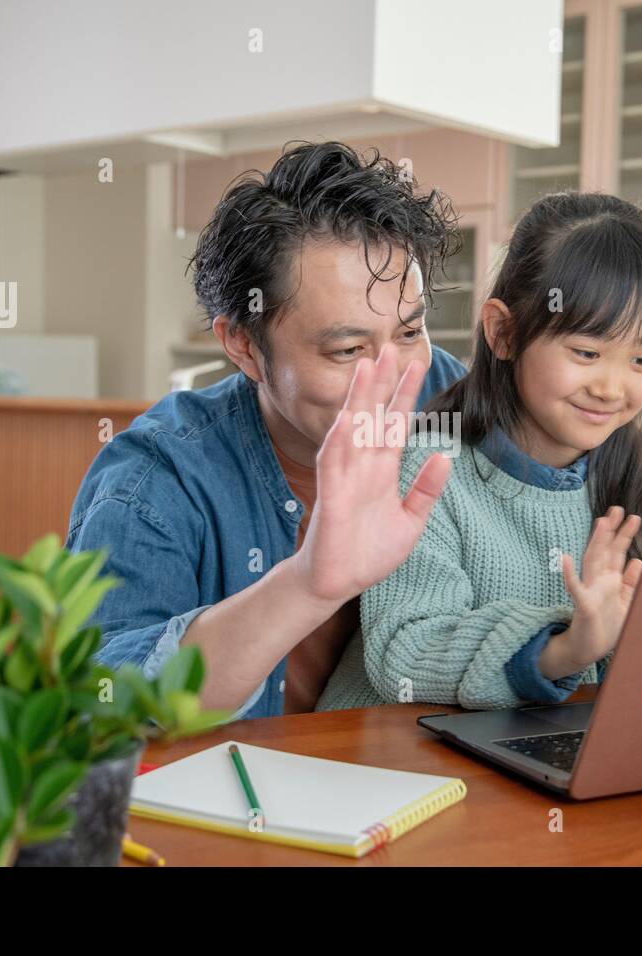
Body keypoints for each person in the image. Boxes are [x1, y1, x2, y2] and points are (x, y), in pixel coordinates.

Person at [66, 141, 466, 719]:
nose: (394, 379)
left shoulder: (445, 397)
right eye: (349, 349)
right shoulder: (155, 479)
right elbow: (104, 703)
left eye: (409, 333)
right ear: (245, 346)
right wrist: (307, 585)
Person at [318, 192, 642, 712]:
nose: (611, 386)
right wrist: (564, 649)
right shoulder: (428, 469)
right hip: (388, 762)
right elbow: (406, 651)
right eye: (586, 352)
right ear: (504, 332)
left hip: (543, 756)